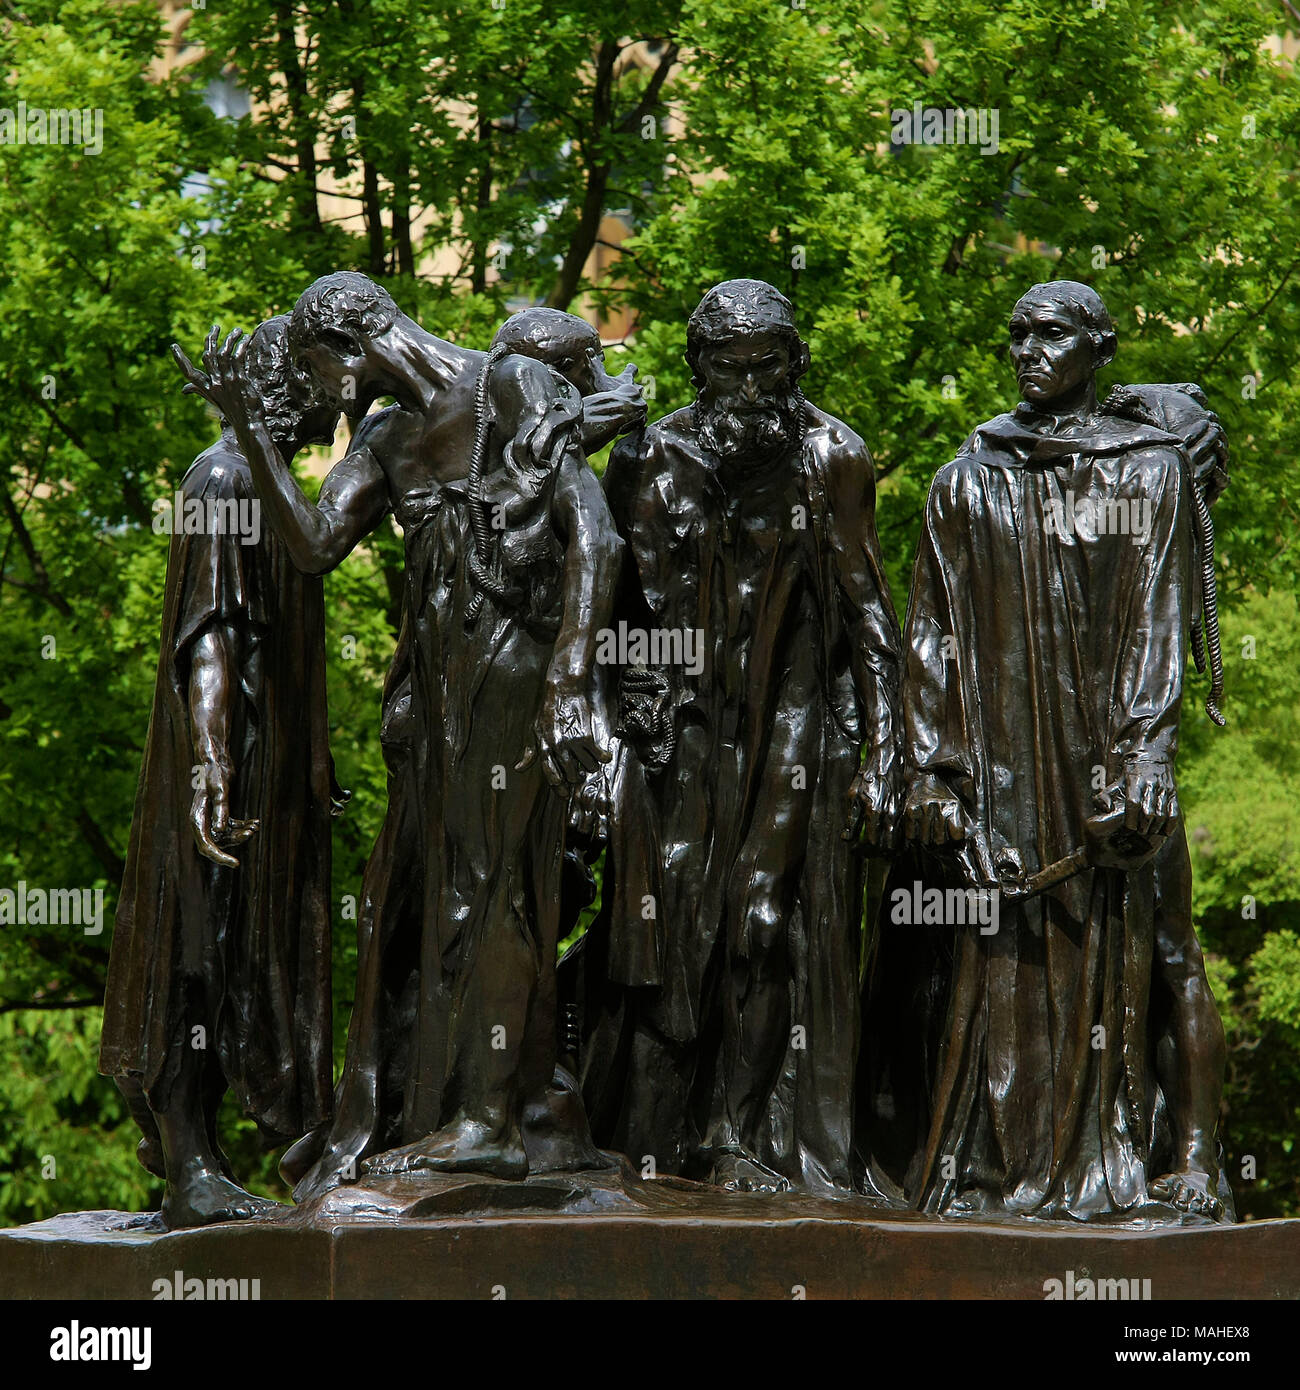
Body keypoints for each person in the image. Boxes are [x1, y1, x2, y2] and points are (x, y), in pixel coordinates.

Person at [185, 275, 625, 1192]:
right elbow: (309, 543)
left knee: (502, 885)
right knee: (432, 897)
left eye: (312, 368)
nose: (313, 391)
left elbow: (596, 534)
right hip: (432, 703)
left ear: (348, 346)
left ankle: (493, 1121)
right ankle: (453, 1107)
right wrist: (257, 437)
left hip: (515, 671)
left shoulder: (508, 382)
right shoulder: (385, 439)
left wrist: (574, 676)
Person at [878, 280, 1230, 1220]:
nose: (1027, 351)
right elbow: (930, 639)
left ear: (1099, 348)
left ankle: (1194, 1157)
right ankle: (1001, 1163)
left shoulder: (1150, 471)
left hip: (1114, 767)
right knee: (992, 955)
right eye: (1016, 336)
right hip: (1004, 770)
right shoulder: (969, 477)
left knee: (1164, 947)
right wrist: (932, 767)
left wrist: (1148, 755)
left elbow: (1159, 621)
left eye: (1051, 335)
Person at [567, 279, 903, 1195]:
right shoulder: (647, 458)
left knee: (762, 922)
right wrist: (603, 734)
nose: (750, 391)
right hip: (674, 731)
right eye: (728, 369)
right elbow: (604, 612)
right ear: (696, 367)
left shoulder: (833, 456)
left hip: (792, 727)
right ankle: (643, 1139)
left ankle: (738, 1134)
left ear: (796, 364)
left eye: (768, 369)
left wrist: (886, 754)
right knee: (667, 926)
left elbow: (871, 613)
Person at [100, 316, 341, 1229]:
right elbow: (212, 637)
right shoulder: (226, 478)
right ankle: (189, 1162)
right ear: (286, 383)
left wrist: (310, 765)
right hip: (225, 761)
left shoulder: (270, 485)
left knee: (245, 949)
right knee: (202, 944)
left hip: (263, 762)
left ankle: (221, 1155)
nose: (341, 398)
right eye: (325, 381)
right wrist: (210, 765)